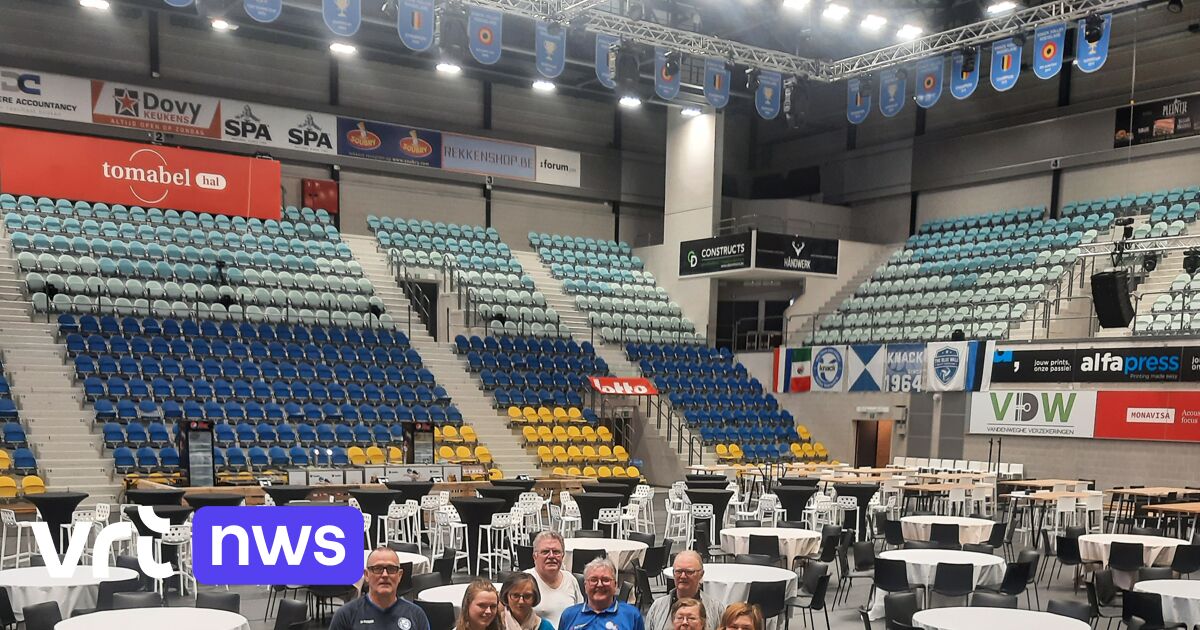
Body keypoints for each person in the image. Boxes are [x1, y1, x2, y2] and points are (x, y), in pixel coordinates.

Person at [329, 546, 431, 630]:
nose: (385, 575)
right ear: (367, 575)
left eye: (391, 569)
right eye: (377, 569)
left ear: (399, 575)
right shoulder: (346, 616)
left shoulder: (416, 615)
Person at [557, 557, 643, 630]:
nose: (599, 585)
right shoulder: (569, 615)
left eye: (605, 580)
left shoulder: (631, 615)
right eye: (593, 580)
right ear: (585, 586)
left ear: (615, 585)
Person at [645, 551, 722, 630]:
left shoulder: (715, 609)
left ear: (701, 574)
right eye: (678, 571)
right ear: (673, 573)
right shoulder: (657, 607)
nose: (683, 576)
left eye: (689, 572)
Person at [527, 531, 583, 626]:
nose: (551, 556)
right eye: (545, 552)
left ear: (563, 555)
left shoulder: (570, 580)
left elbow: (580, 614)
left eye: (556, 552)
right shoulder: (525, 581)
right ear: (535, 556)